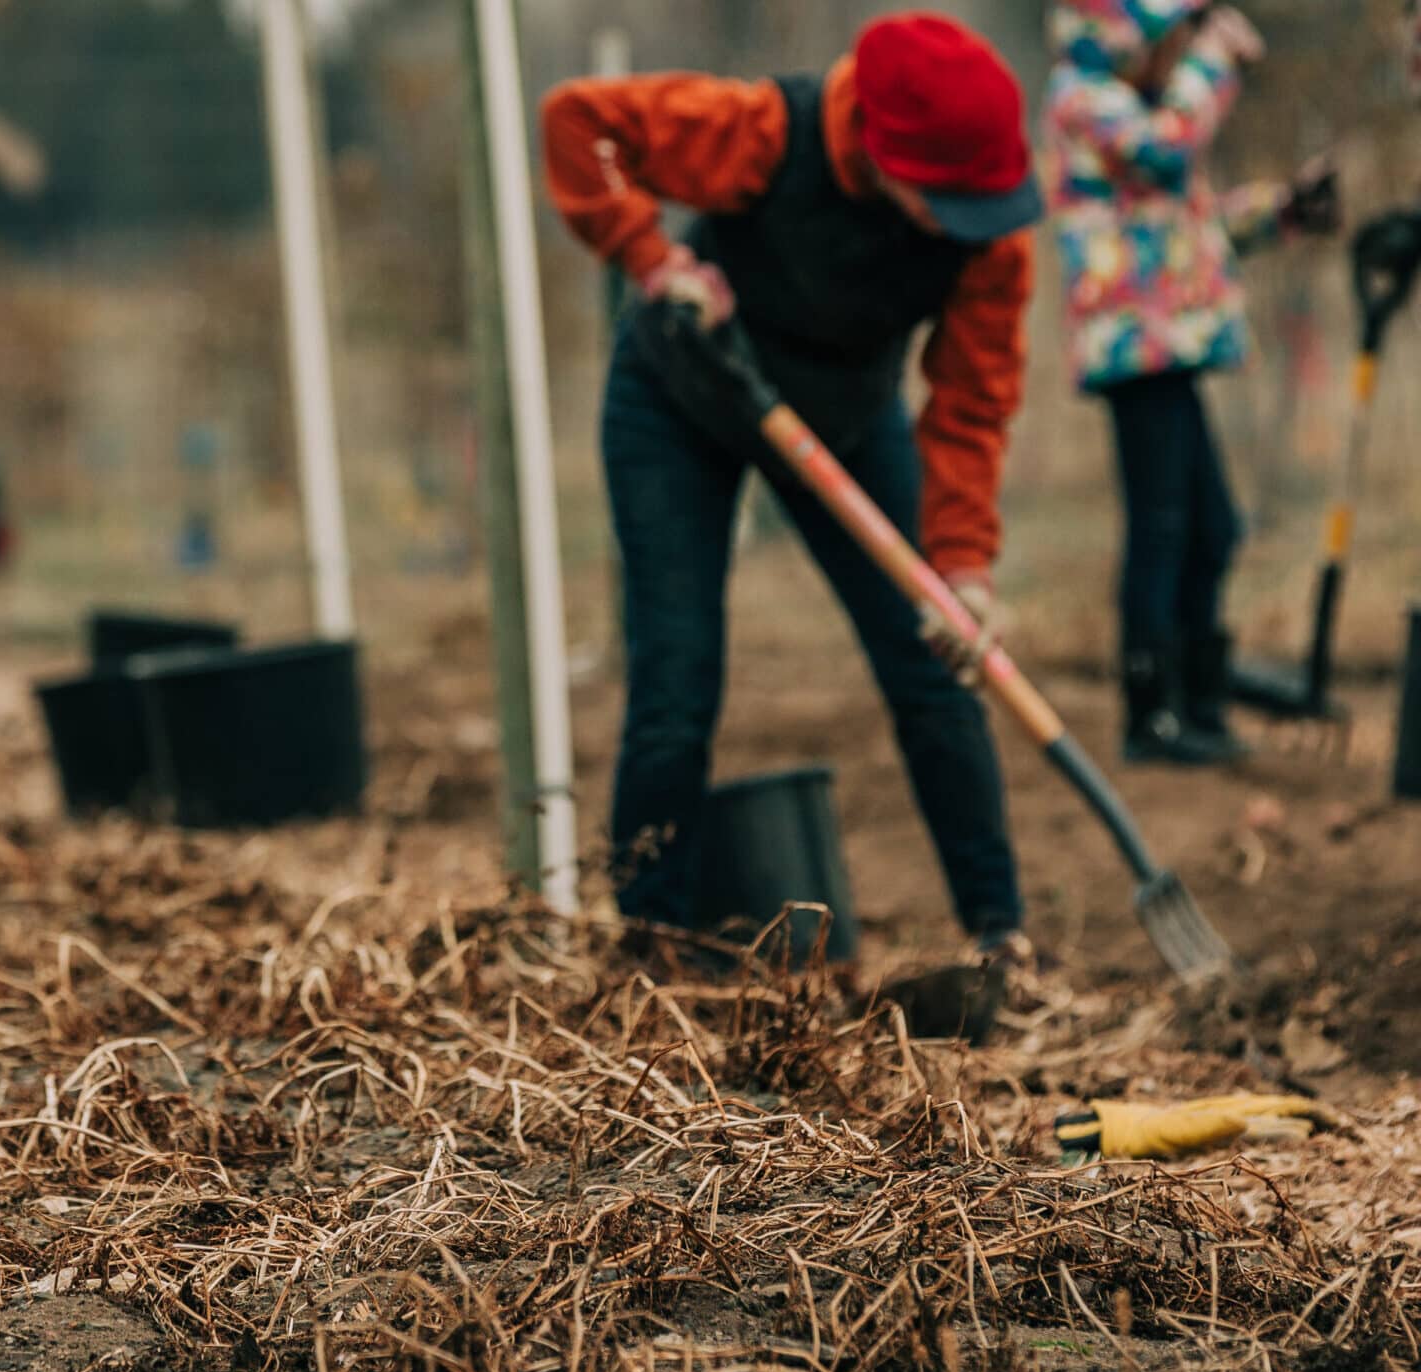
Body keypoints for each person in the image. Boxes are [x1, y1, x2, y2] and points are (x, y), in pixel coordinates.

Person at [540, 11, 1044, 962]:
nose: (966, 222)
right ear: (885, 155)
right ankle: (647, 954)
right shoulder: (769, 133)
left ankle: (1000, 936)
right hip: (681, 397)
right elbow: (579, 120)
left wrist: (965, 565)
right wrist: (654, 263)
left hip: (844, 421)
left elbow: (973, 403)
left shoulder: (990, 233)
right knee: (676, 680)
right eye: (948, 198)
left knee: (933, 664)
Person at [1045, 0, 1341, 764]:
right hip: (1134, 353)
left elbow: (1190, 230)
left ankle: (1200, 699)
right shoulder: (1085, 99)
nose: (1180, 56)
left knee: (1211, 529)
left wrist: (1285, 211)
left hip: (1170, 347)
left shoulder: (1136, 110)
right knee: (1163, 528)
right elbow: (1169, 152)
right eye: (1172, 40)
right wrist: (1217, 59)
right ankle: (1152, 712)